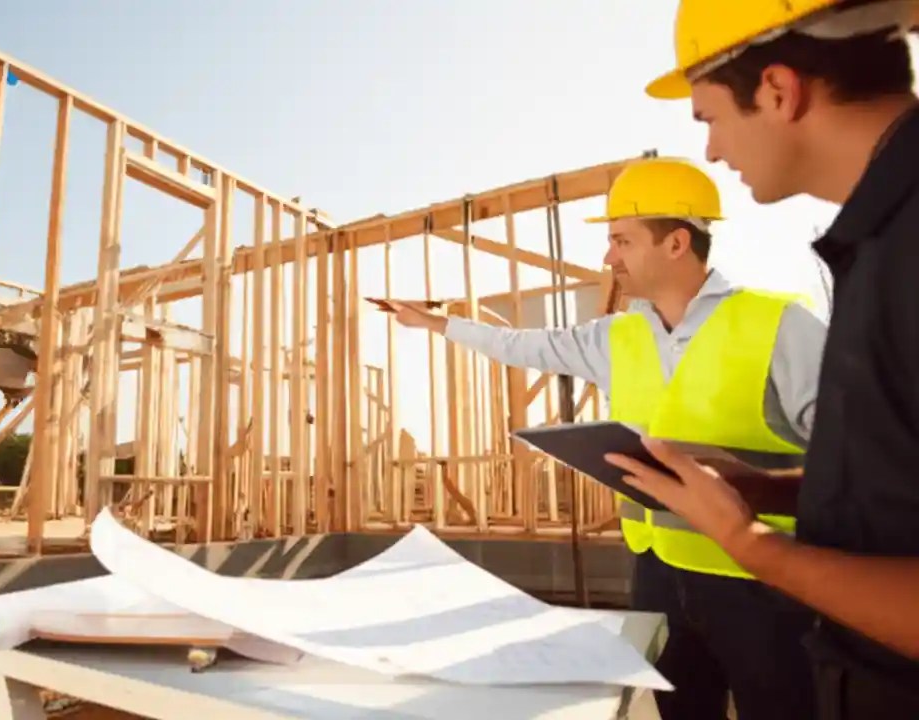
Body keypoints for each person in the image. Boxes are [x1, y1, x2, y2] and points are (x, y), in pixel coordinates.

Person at [379, 156, 827, 720]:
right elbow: (524, 345)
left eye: (622, 240)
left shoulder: (779, 324)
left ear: (676, 243)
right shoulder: (615, 336)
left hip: (762, 578)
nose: (608, 257)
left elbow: (857, 458)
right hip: (657, 573)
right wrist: (437, 324)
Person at [604, 1, 919, 717]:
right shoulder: (879, 243)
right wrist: (762, 487)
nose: (712, 152)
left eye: (709, 118)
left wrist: (752, 546)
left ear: (778, 91)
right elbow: (898, 488)